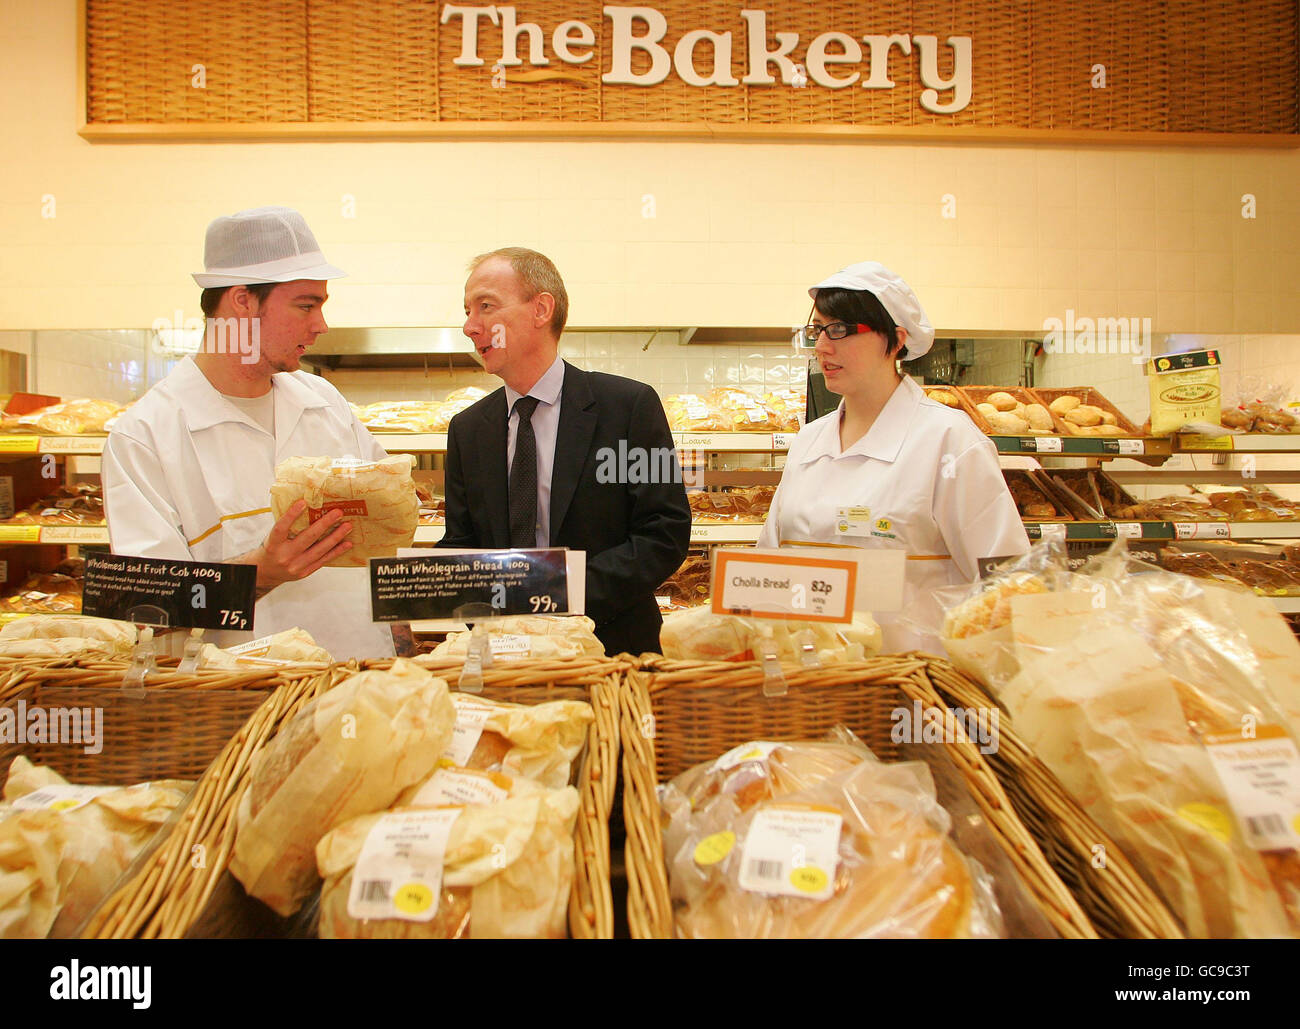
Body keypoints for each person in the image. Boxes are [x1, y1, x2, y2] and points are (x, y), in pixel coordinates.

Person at [102, 206, 395, 659]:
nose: (321, 325)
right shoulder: (145, 435)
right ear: (241, 300)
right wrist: (261, 572)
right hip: (237, 701)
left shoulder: (324, 403)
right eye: (306, 305)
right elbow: (148, 609)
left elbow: (382, 531)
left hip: (359, 678)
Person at [756, 261, 1029, 653]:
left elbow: (1007, 582)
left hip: (918, 688)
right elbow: (771, 565)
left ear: (896, 340)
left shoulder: (948, 441)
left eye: (840, 330)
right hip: (814, 685)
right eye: (817, 330)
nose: (822, 347)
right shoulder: (808, 442)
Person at [440, 247, 691, 656]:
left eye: (485, 306)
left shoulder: (629, 407)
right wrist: (418, 584)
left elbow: (664, 532)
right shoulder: (468, 430)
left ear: (541, 310)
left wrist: (556, 594)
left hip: (613, 652)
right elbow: (461, 543)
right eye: (467, 311)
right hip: (504, 654)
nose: (470, 326)